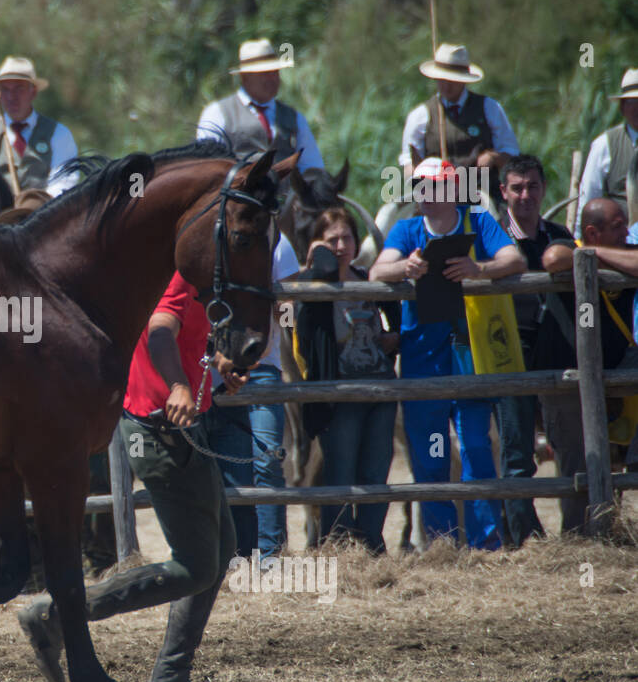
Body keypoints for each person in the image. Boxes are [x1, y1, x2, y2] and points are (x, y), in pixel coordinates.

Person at [18, 271, 240, 682]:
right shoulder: (179, 275)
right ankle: (58, 614)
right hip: (163, 432)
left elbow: (174, 333)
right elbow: (158, 333)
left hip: (176, 428)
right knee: (196, 567)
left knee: (219, 553)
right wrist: (179, 385)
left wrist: (215, 362)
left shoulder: (186, 274)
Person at [369, 157, 527, 549]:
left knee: (475, 445)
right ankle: (440, 545)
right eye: (421, 186)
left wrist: (478, 270)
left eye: (434, 186)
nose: (425, 194)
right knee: (430, 452)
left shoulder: (478, 223)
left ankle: (485, 545)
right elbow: (377, 271)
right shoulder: (407, 230)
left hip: (469, 353)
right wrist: (407, 267)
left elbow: (515, 259)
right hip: (423, 357)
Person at [294, 209, 400, 553]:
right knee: (339, 475)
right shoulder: (313, 286)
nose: (340, 246)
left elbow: (393, 320)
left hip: (379, 389)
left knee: (375, 474)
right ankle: (337, 548)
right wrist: (315, 268)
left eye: (346, 238)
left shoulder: (369, 279)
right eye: (331, 240)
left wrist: (391, 338)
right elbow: (304, 333)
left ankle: (371, 546)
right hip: (339, 394)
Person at [540, 197, 638, 534]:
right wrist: (589, 255)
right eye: (617, 227)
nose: (626, 232)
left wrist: (594, 256)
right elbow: (553, 259)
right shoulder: (567, 245)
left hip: (615, 378)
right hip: (567, 380)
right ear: (592, 232)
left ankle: (609, 532)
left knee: (614, 460)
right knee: (577, 466)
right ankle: (580, 539)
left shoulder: (622, 252)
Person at [202, 231, 301, 562]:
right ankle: (240, 556)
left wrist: (278, 317)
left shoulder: (278, 242)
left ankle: (270, 556)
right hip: (215, 371)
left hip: (261, 366)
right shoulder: (208, 238)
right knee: (231, 471)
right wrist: (216, 356)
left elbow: (289, 311)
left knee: (267, 461)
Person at [496, 156, 573, 546]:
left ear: (543, 189)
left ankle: (580, 530)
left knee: (571, 447)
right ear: (503, 192)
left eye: (532, 186)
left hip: (559, 353)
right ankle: (521, 538)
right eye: (516, 187)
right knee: (516, 451)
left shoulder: (561, 236)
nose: (525, 195)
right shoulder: (491, 238)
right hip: (511, 353)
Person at [196, 38, 323, 173]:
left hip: (286, 194)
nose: (273, 79)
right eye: (264, 74)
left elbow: (312, 167)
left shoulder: (295, 118)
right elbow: (206, 166)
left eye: (275, 72)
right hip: (238, 193)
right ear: (245, 77)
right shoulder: (218, 113)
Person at [399, 44, 518, 185]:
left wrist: (493, 157)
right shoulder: (420, 115)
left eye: (453, 80)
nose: (447, 85)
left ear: (464, 80)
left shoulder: (490, 108)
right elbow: (409, 163)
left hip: (482, 193)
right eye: (442, 79)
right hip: (435, 194)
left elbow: (511, 153)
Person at [0, 56, 79, 198]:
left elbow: (64, 183)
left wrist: (32, 207)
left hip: (47, 216)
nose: (11, 97)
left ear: (33, 92)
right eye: (5, 90)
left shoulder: (59, 134)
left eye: (19, 89)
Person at [577, 68, 638, 233]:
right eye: (633, 102)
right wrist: (580, 240)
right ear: (622, 107)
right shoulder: (605, 144)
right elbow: (588, 195)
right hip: (621, 241)